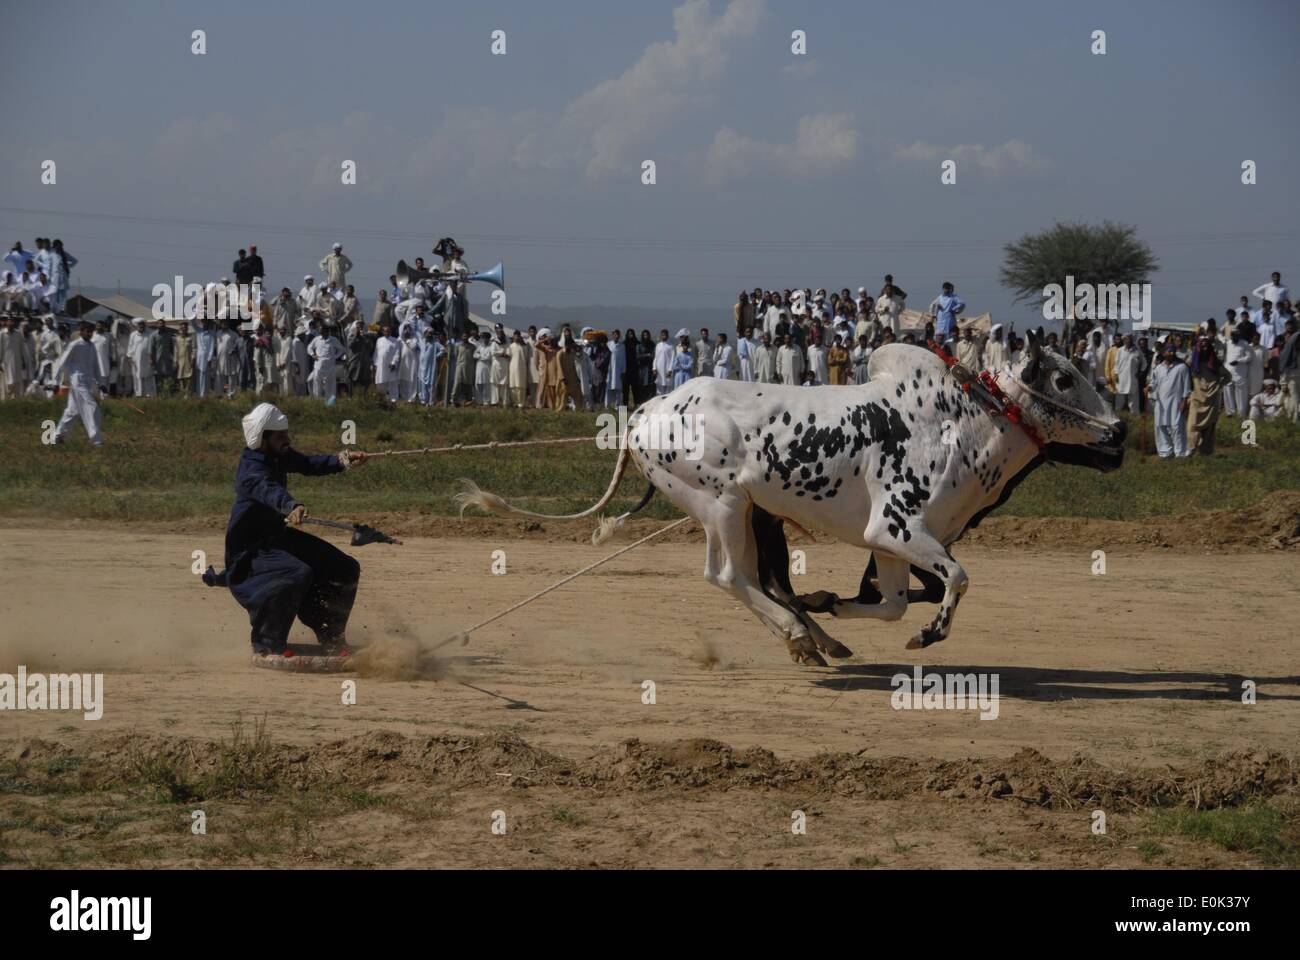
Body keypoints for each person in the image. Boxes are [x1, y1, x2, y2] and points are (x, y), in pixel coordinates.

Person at [216, 403, 369, 655]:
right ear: (263, 438)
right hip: (250, 552)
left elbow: (308, 464)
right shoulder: (251, 470)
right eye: (280, 435)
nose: (287, 438)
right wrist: (291, 505)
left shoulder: (276, 455)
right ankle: (268, 643)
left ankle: (331, 636)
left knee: (345, 568)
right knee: (296, 573)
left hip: (276, 540)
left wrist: (342, 461)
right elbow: (269, 490)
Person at [51, 322, 104, 446]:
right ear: (81, 331)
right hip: (77, 381)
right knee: (91, 407)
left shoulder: (92, 346)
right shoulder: (75, 344)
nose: (90, 334)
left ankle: (57, 436)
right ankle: (96, 440)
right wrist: (56, 382)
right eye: (88, 331)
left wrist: (101, 383)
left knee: (72, 411)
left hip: (87, 382)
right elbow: (62, 362)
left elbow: (95, 366)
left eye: (92, 331)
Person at [1186, 335, 1229, 455]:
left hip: (1212, 400)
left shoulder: (1215, 363)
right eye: (1202, 346)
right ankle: (1191, 449)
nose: (1204, 348)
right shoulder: (1193, 363)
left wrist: (1219, 386)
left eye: (1206, 346)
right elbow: (1185, 367)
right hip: (1196, 399)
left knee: (1209, 428)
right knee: (1192, 425)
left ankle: (1206, 453)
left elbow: (1228, 377)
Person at [1148, 343, 1191, 459]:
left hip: (1176, 402)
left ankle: (1181, 453)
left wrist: (1184, 400)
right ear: (1163, 353)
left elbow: (1187, 387)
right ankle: (1165, 452)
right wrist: (1149, 387)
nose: (1172, 353)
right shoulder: (1158, 368)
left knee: (1177, 427)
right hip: (1161, 403)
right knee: (1160, 426)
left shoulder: (1182, 367)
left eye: (1173, 351)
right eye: (1169, 351)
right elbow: (1154, 383)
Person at [374, 321, 402, 404]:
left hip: (390, 365)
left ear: (391, 331)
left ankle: (394, 400)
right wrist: (375, 364)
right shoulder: (379, 340)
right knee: (381, 381)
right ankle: (381, 399)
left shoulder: (395, 340)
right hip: (380, 365)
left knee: (392, 382)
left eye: (388, 331)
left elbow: (397, 353)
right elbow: (376, 352)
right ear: (382, 332)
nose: (387, 332)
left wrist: (394, 363)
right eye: (385, 331)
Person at [128, 318, 157, 397]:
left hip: (147, 359)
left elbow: (153, 347)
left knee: (148, 376)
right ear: (137, 326)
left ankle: (149, 394)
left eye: (142, 325)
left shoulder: (150, 334)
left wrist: (153, 358)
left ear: (145, 326)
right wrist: (130, 358)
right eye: (139, 325)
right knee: (137, 377)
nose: (141, 327)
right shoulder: (133, 335)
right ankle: (138, 393)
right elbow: (130, 347)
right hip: (136, 360)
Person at [507, 330, 531, 408]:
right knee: (513, 386)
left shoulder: (524, 346)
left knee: (521, 386)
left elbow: (527, 357)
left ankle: (521, 403)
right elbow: (508, 355)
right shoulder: (511, 346)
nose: (516, 337)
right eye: (515, 336)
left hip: (522, 368)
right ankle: (515, 402)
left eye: (518, 336)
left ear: (520, 336)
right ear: (513, 337)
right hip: (513, 368)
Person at [175, 321, 195, 395]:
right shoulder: (177, 339)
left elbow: (194, 349)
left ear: (187, 328)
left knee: (188, 377)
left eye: (185, 327)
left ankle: (188, 394)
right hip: (180, 361)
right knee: (180, 377)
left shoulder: (190, 338)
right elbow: (176, 351)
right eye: (182, 327)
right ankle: (182, 393)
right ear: (180, 328)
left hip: (188, 360)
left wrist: (193, 358)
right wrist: (175, 361)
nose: (183, 329)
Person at [653, 329, 674, 396]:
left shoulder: (671, 345)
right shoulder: (658, 345)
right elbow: (656, 357)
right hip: (659, 369)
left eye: (665, 335)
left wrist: (670, 369)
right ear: (660, 336)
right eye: (662, 335)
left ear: (667, 336)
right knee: (659, 388)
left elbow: (673, 358)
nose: (663, 336)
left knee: (668, 388)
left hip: (667, 369)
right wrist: (654, 368)